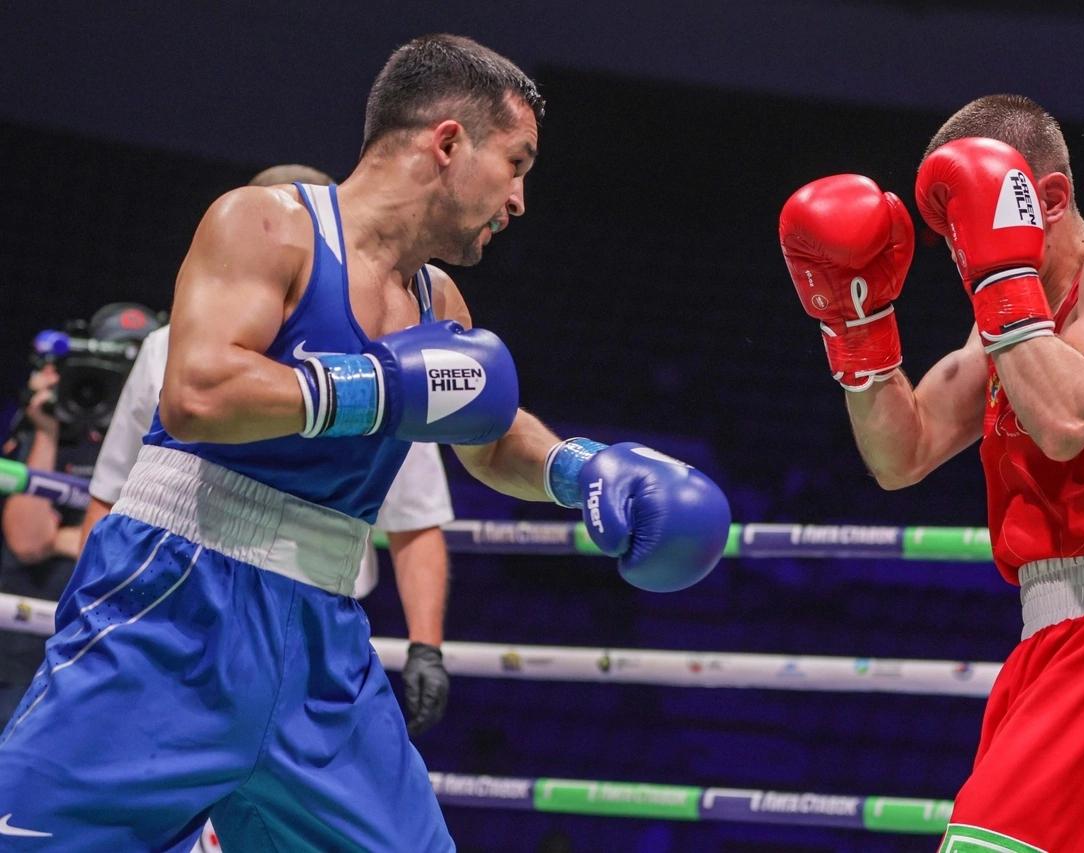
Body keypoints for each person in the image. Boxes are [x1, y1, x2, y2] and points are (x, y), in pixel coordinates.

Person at [0, 33, 730, 852]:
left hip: (321, 644)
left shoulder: (436, 297)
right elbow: (201, 391)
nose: (520, 199)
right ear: (448, 142)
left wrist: (580, 468)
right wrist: (379, 385)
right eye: (517, 164)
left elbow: (485, 433)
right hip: (174, 606)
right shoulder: (266, 225)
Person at [780, 94, 1084, 852]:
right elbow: (900, 455)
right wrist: (856, 329)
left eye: (973, 222)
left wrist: (1002, 288)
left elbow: (1069, 418)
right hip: (1047, 643)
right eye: (951, 233)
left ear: (1045, 199)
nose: (958, 252)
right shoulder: (1007, 322)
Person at [80, 164, 457, 736]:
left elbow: (417, 520)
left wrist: (426, 646)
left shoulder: (406, 351)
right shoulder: (165, 350)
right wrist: (92, 609)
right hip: (181, 593)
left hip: (320, 618)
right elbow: (110, 496)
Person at [0, 303, 161, 724]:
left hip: (108, 648)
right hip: (22, 650)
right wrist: (46, 429)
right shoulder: (52, 430)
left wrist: (76, 538)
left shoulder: (164, 443)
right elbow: (29, 542)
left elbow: (146, 553)